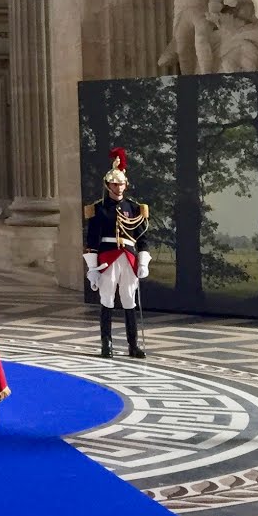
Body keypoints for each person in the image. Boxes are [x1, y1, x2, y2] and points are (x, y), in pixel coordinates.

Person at [83, 147, 150, 359]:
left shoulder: (134, 208)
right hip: (108, 257)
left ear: (125, 185)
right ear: (107, 185)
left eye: (121, 183)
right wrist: (92, 268)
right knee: (107, 300)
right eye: (114, 183)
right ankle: (107, 343)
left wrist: (143, 262)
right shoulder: (99, 208)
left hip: (128, 257)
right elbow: (92, 239)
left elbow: (142, 238)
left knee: (129, 300)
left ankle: (133, 345)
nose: (118, 187)